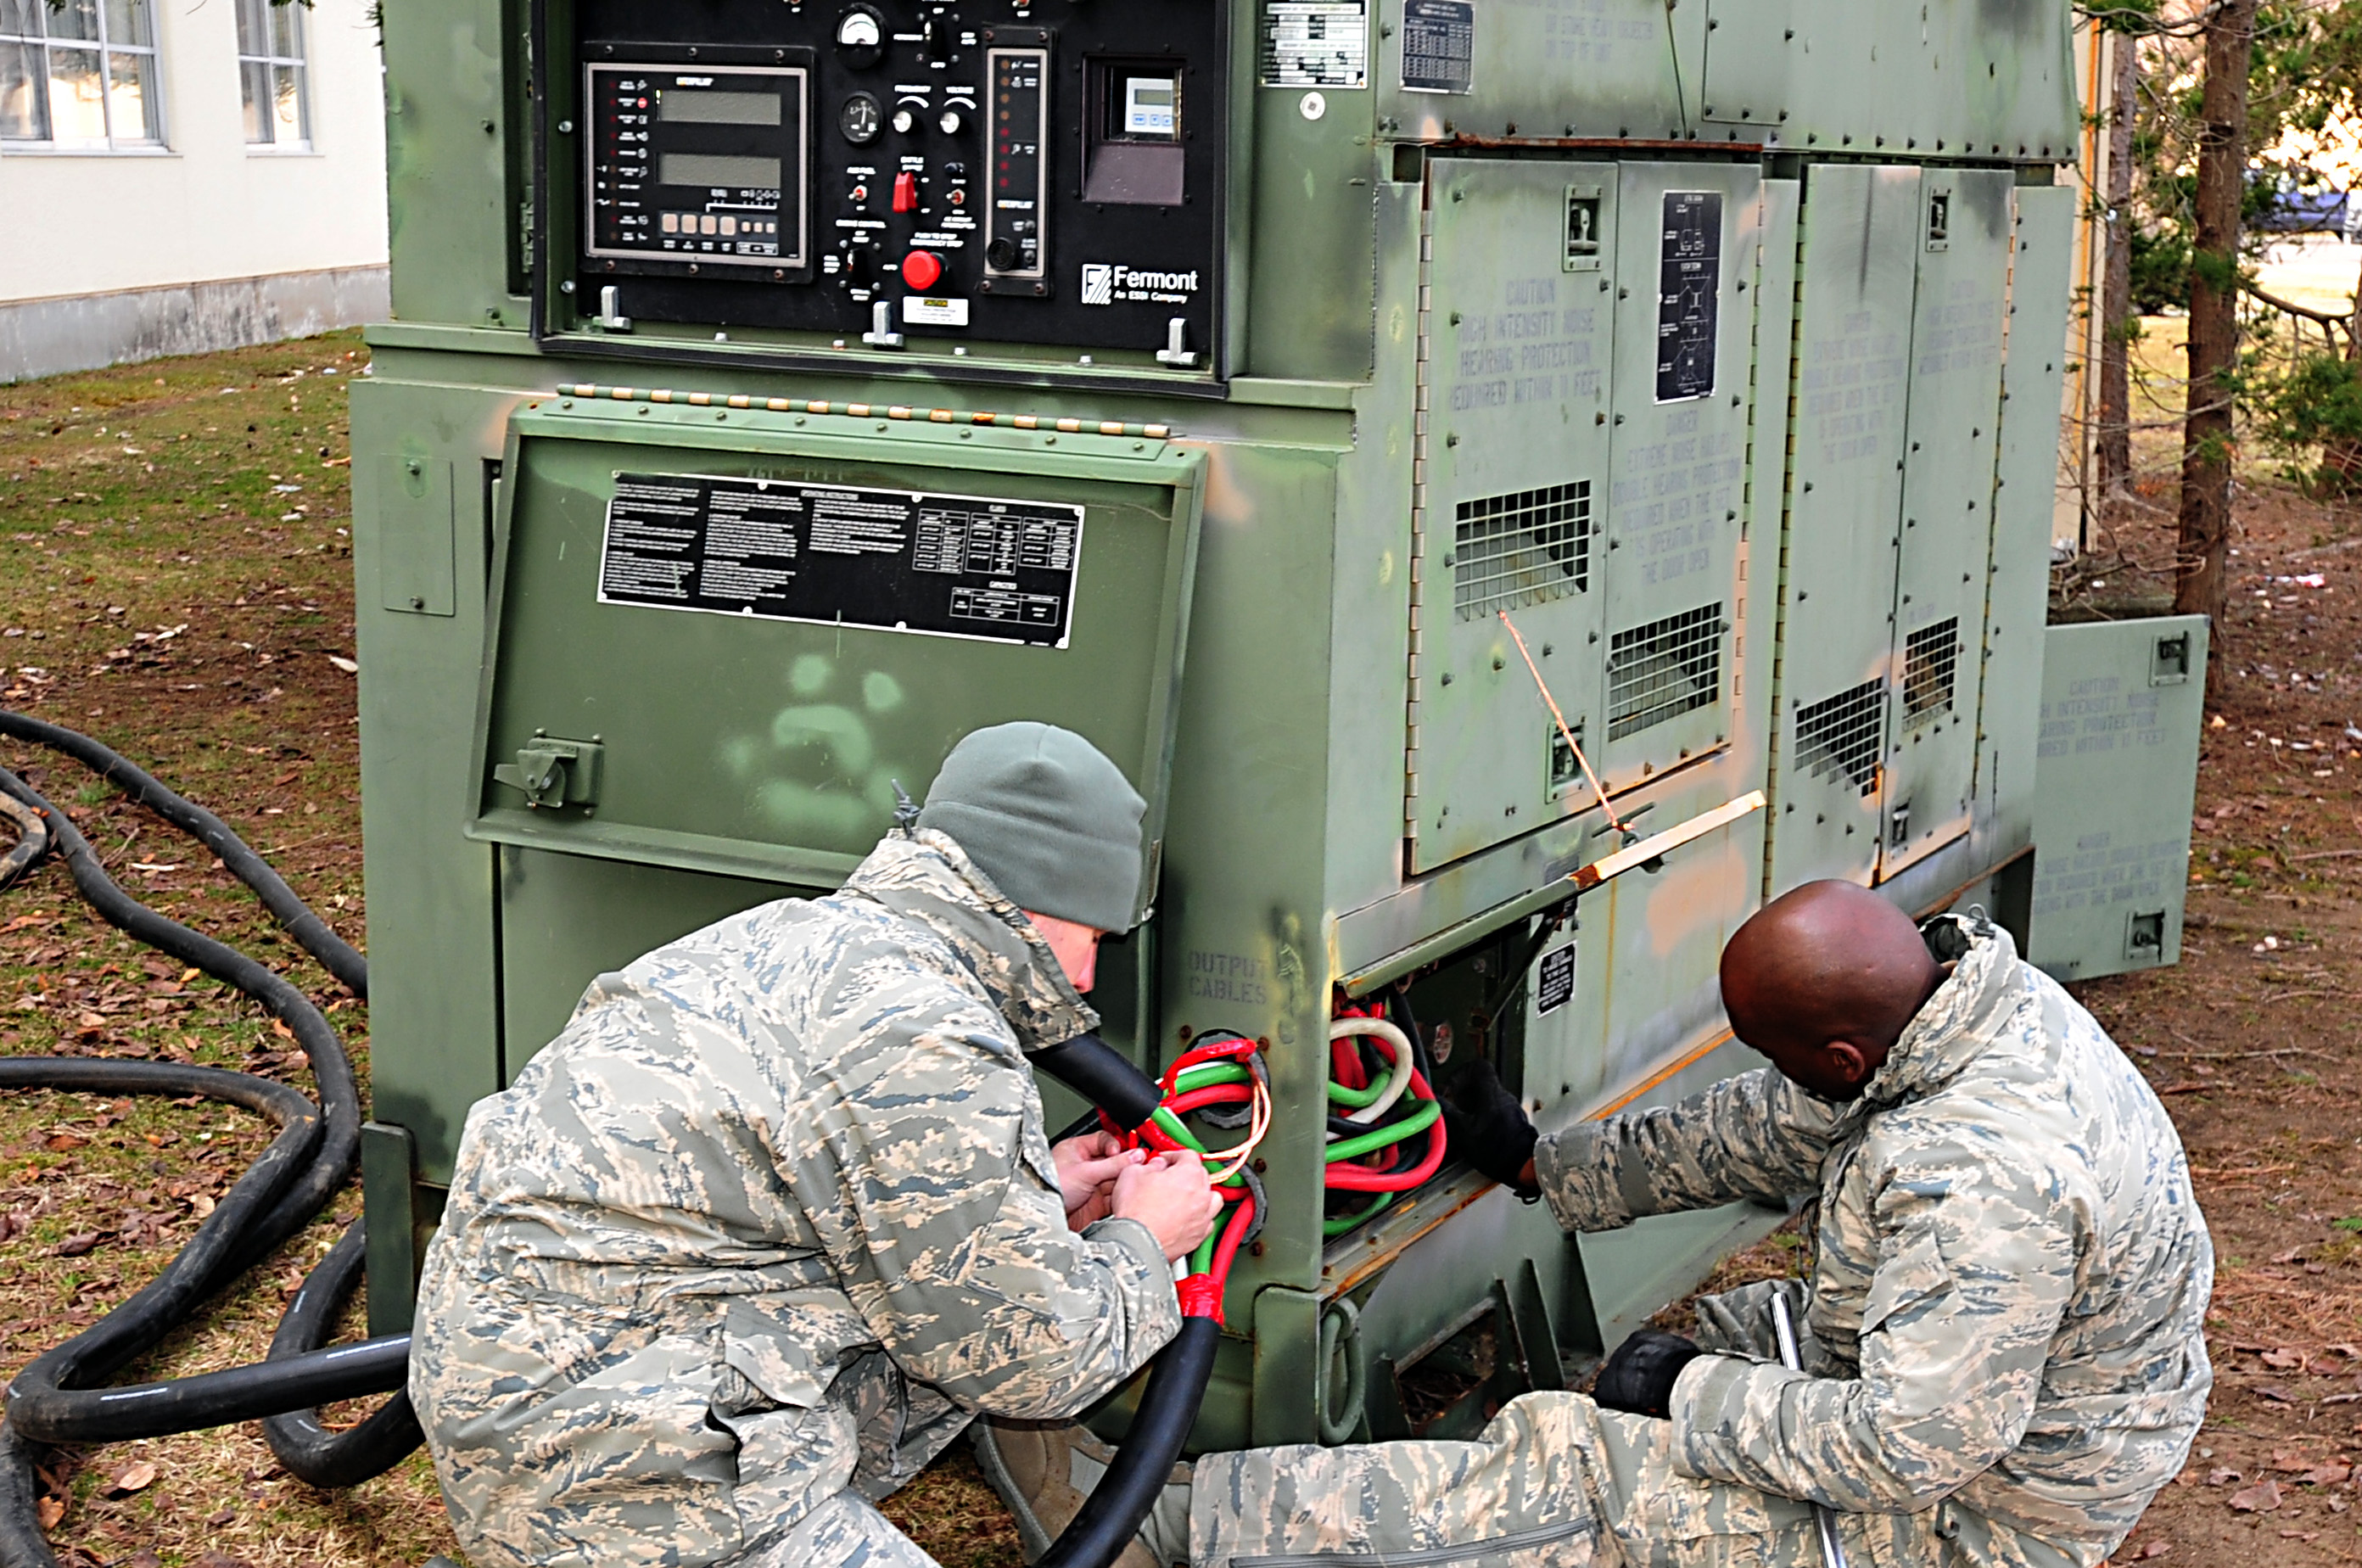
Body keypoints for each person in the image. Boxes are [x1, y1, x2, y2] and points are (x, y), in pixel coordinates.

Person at [1010, 880, 2214, 1568]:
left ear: (1846, 1049)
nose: (1787, 1084)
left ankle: (1153, 1526)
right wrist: (1546, 1163)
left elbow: (1908, 1452)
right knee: (1720, 1355)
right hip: (2011, 1424)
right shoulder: (1970, 1013)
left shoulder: (1979, 1184)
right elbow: (1774, 1128)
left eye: (1795, 1060)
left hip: (1981, 1525)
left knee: (1573, 1462)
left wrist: (1683, 1387)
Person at [407, 721, 1223, 1568]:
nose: (1087, 978)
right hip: (626, 1487)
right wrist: (1144, 1241)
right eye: (1093, 937)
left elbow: (805, 1182)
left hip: (530, 1407)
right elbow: (1035, 1364)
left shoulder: (797, 941)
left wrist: (1034, 1194)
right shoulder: (925, 1031)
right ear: (1042, 897)